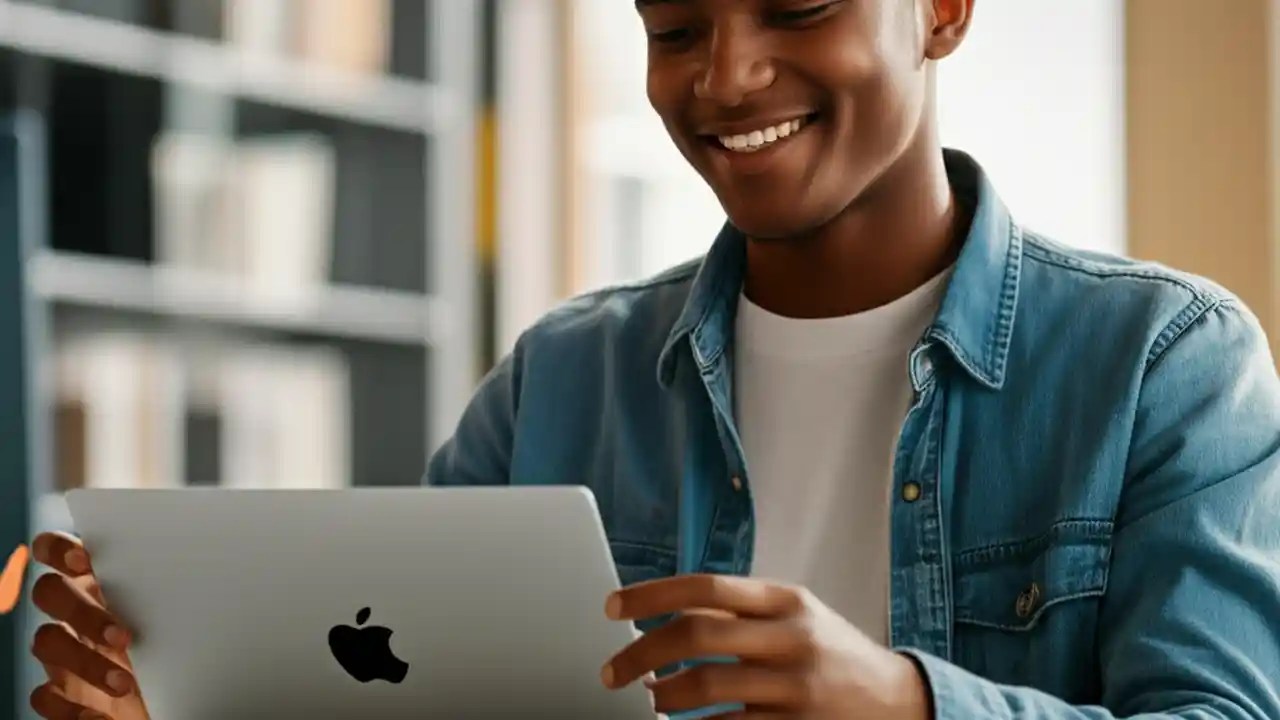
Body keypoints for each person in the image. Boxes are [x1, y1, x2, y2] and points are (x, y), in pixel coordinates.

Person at [26, 0, 1280, 718]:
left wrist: (904, 706)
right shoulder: (559, 380)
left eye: (795, 6)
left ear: (940, 10)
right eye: (677, 24)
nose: (726, 75)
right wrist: (182, 708)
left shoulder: (1164, 360)